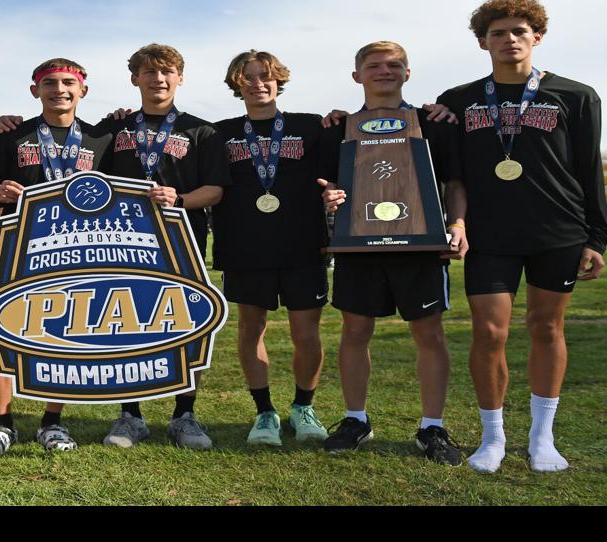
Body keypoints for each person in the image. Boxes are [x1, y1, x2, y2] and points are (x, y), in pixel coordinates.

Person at [437, 0, 607, 473]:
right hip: (490, 236)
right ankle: (492, 437)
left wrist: (597, 236)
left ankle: (542, 437)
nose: (509, 39)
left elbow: (588, 170)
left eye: (519, 30)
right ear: (482, 42)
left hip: (559, 231)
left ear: (536, 37)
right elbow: (443, 166)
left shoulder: (575, 96)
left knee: (546, 328)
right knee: (488, 333)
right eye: (498, 33)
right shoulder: (458, 100)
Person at [319, 41, 465, 465]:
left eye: (394, 65)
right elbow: (325, 185)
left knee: (430, 334)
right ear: (357, 75)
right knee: (354, 331)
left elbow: (455, 183)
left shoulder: (435, 123)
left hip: (420, 245)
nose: (384, 71)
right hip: (357, 245)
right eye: (374, 65)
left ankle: (432, 427)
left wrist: (457, 225)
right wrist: (328, 199)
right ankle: (355, 419)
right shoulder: (338, 127)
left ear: (407, 73)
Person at [86, 44, 226, 450]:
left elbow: (215, 190)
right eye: (149, 72)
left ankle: (185, 414)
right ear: (135, 79)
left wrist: (179, 199)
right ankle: (131, 415)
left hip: (184, 241)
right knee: (128, 325)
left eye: (167, 72)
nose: (158, 79)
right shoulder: (113, 130)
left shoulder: (203, 131)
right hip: (125, 243)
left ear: (180, 78)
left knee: (187, 324)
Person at [0, 56, 114, 458]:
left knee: (66, 331)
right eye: (49, 83)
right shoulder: (10, 136)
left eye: (68, 83)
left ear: (82, 90)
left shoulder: (102, 139)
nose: (59, 90)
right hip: (20, 247)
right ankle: (2, 423)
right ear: (35, 90)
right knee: (2, 330)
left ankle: (52, 421)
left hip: (77, 249)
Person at [210, 50, 335, 447]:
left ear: (279, 80)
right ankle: (264, 412)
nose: (258, 83)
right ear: (236, 84)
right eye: (248, 78)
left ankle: (303, 407)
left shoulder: (312, 126)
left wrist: (346, 118)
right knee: (251, 328)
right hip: (245, 246)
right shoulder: (219, 132)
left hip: (303, 244)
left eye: (266, 76)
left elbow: (348, 159)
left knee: (306, 331)